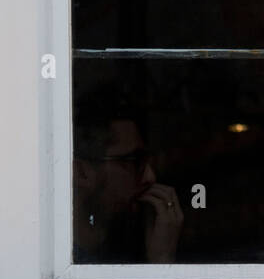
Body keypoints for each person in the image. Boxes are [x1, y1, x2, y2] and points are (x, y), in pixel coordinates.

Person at [72, 99, 183, 263]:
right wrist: (161, 262)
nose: (150, 176)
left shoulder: (120, 250)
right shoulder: (58, 264)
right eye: (133, 161)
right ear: (82, 173)